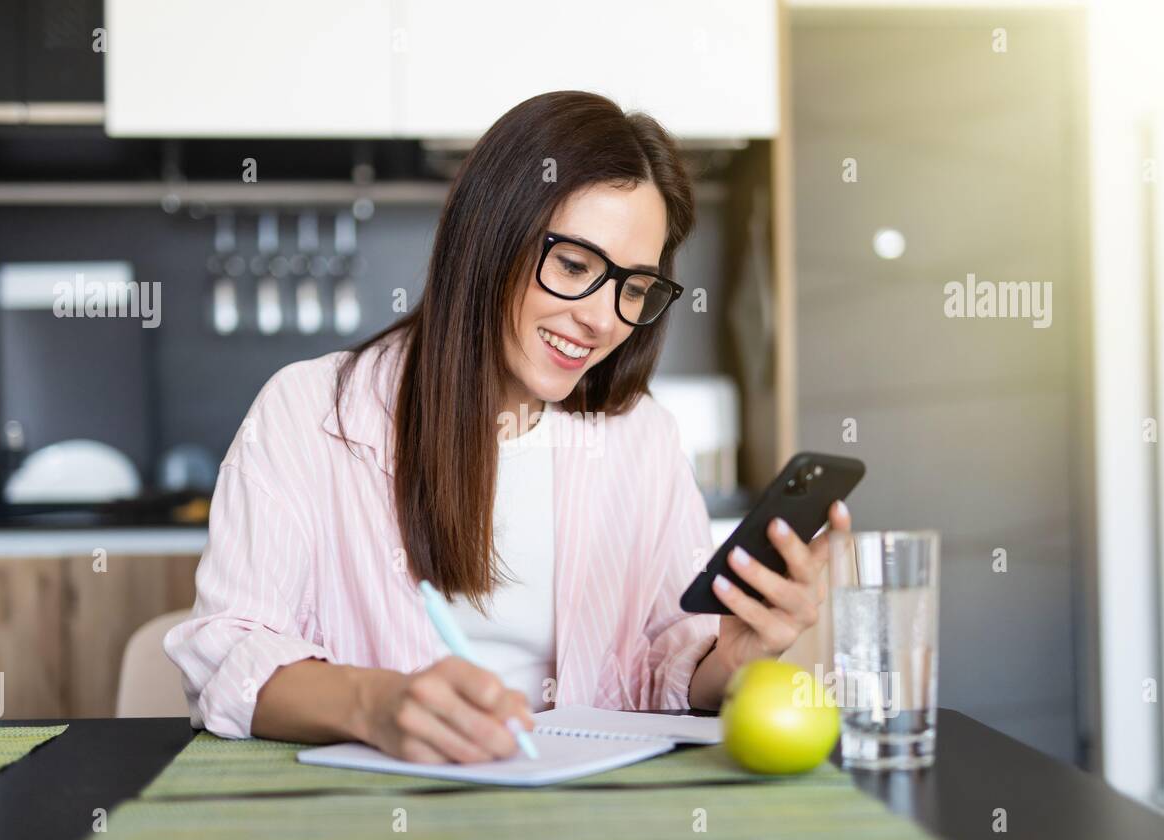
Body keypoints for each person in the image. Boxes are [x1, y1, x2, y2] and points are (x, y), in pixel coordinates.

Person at [165, 90, 851, 763]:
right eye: (575, 265)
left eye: (635, 287)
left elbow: (662, 669)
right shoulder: (310, 412)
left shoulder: (640, 437)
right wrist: (375, 705)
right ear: (490, 236)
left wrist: (730, 657)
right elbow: (227, 655)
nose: (603, 319)